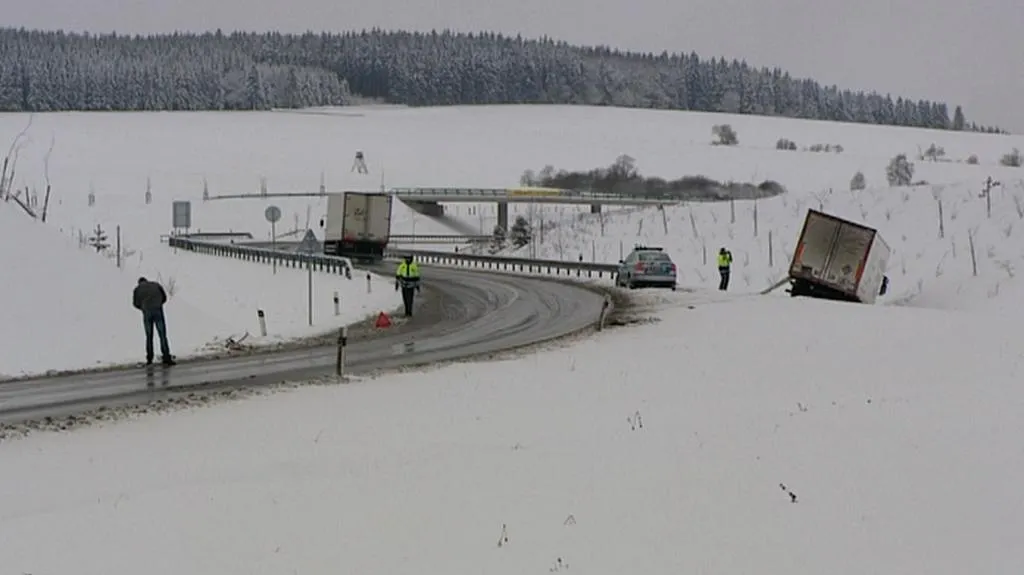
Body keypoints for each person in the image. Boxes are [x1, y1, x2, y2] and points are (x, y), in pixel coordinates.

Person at [132, 277, 175, 366]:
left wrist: (143, 307)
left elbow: (135, 303)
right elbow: (164, 297)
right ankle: (166, 356)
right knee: (162, 335)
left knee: (149, 336)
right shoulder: (155, 285)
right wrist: (158, 304)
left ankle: (149, 358)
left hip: (147, 313)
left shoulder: (137, 289)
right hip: (158, 310)